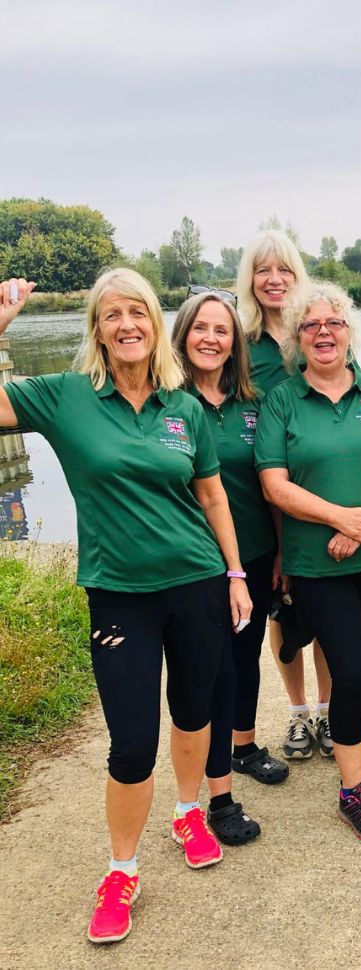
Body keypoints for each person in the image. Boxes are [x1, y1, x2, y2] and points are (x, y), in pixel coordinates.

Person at [0, 271, 252, 943]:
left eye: (137, 311)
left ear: (154, 323)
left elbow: (212, 495)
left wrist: (235, 572)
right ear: (98, 329)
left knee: (194, 714)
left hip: (198, 584)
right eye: (112, 314)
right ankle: (121, 870)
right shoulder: (65, 397)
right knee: (132, 743)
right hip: (119, 597)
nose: (127, 324)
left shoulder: (183, 407)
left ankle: (188, 812)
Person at [256, 280, 361, 843]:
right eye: (311, 325)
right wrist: (340, 520)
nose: (323, 332)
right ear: (297, 338)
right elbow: (274, 484)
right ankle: (352, 792)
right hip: (319, 564)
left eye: (334, 323)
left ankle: (360, 747)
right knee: (353, 671)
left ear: (349, 332)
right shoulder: (282, 400)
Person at [171, 291, 286, 848]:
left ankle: (244, 744)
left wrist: (282, 552)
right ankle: (216, 796)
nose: (212, 339)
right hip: (197, 563)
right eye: (201, 328)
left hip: (255, 553)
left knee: (245, 658)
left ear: (235, 343)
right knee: (212, 674)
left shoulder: (251, 404)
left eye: (223, 330)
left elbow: (270, 481)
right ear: (182, 335)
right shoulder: (167, 402)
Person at [236, 231, 333, 761]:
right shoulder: (241, 342)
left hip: (321, 485)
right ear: (249, 279)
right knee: (282, 609)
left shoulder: (313, 330)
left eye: (284, 269)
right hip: (265, 494)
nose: (274, 280)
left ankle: (327, 710)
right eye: (262, 270)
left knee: (327, 606)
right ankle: (297, 712)